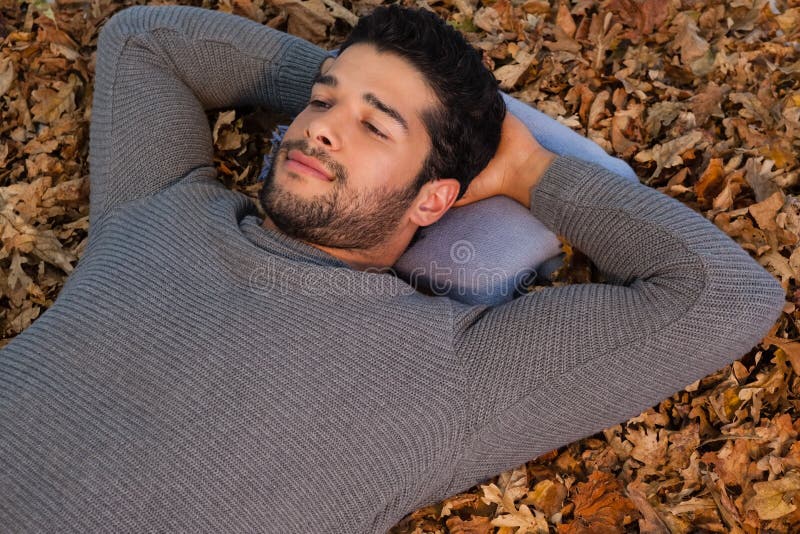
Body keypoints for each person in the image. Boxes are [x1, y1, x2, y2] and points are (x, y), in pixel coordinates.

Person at [0, 4, 785, 533]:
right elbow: (144, 38)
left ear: (436, 198)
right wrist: (369, 96)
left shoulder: (451, 371)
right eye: (320, 100)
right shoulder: (161, 205)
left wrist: (528, 167)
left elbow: (723, 294)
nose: (318, 132)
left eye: (374, 126)